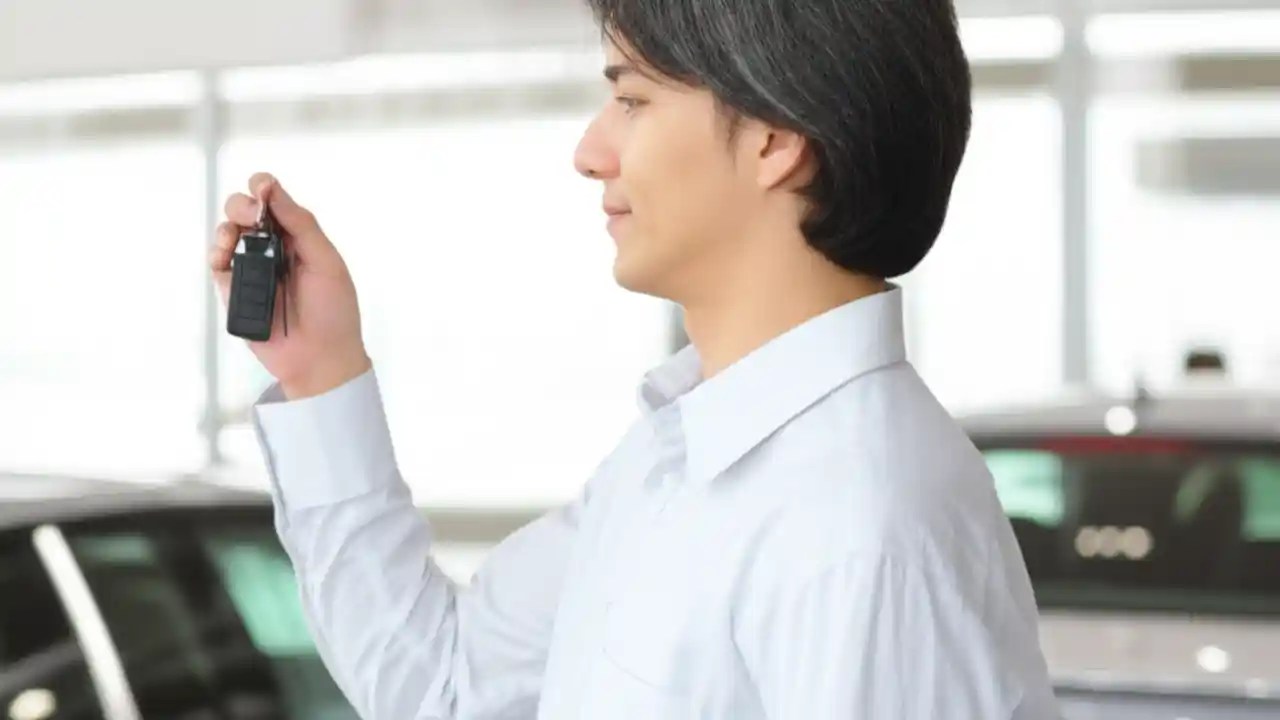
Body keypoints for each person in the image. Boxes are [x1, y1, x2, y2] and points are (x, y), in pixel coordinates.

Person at [209, 0, 1059, 717]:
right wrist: (319, 373)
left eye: (635, 100)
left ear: (775, 137)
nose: (591, 150)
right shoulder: (676, 458)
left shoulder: (861, 526)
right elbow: (446, 686)